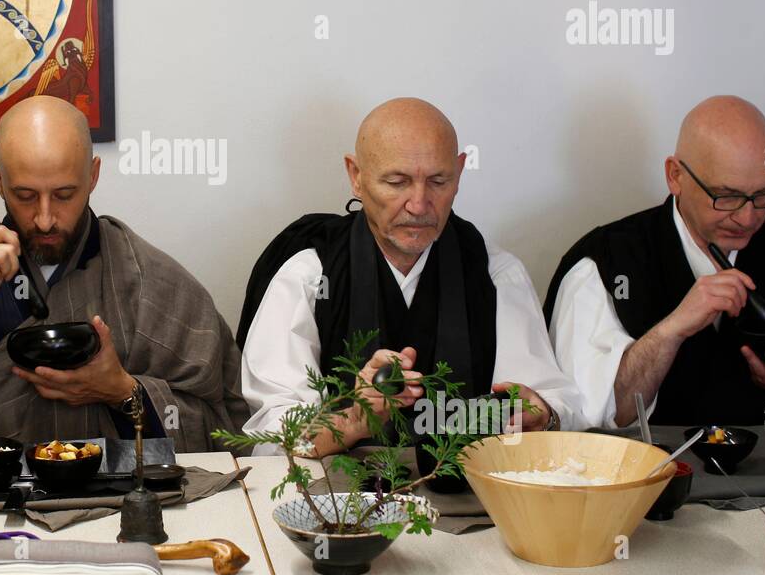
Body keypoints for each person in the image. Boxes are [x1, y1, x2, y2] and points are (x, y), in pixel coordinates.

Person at [0, 95, 251, 459]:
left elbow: (227, 428)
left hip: (121, 511)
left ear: (93, 176)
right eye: (25, 196)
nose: (44, 218)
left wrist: (121, 391)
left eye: (64, 194)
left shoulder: (150, 279)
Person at [238, 98, 582, 456]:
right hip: (339, 502)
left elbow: (554, 403)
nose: (418, 205)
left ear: (460, 173)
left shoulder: (495, 274)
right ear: (356, 176)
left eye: (438, 181)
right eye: (397, 181)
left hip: (472, 497)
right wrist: (353, 419)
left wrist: (543, 417)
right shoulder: (310, 275)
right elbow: (275, 436)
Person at [545, 95, 765, 428]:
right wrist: (671, 331)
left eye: (763, 195)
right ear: (675, 176)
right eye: (727, 196)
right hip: (658, 479)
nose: (747, 217)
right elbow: (584, 423)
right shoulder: (603, 263)